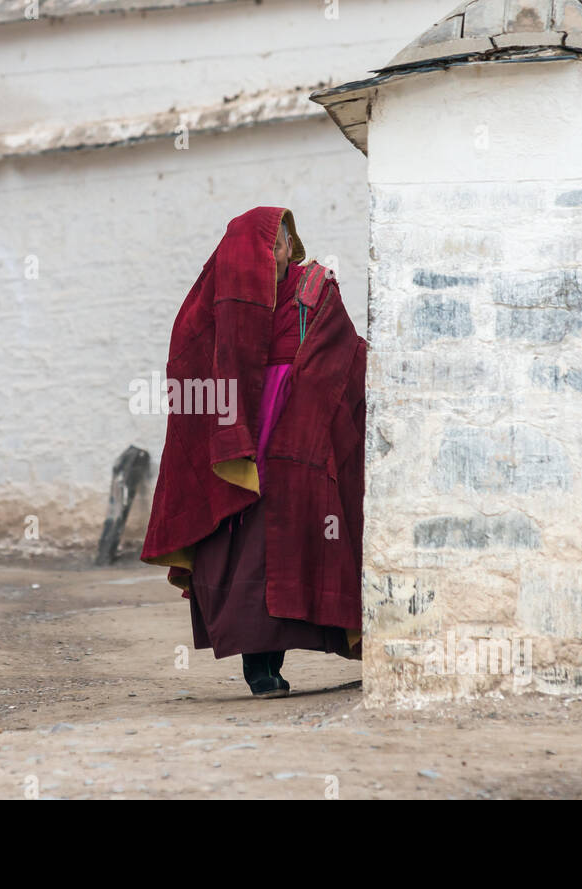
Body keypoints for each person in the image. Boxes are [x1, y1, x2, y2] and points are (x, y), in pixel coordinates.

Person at [140, 206, 367, 698]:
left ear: (291, 246)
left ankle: (274, 661)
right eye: (269, 244)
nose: (278, 251)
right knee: (244, 556)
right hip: (240, 456)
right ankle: (257, 667)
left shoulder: (315, 290)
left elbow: (342, 351)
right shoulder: (220, 300)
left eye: (282, 242)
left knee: (289, 549)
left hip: (301, 444)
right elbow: (190, 355)